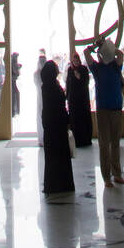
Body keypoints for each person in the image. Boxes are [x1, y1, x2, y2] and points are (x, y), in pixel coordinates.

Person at [85, 37, 124, 188]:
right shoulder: (96, 69)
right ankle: (106, 176)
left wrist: (108, 47)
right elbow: (85, 53)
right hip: (102, 110)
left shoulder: (115, 67)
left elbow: (120, 54)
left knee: (115, 143)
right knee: (104, 144)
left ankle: (117, 174)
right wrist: (95, 46)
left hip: (116, 109)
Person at [40, 60, 74, 195]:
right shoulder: (54, 86)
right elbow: (60, 104)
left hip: (50, 123)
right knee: (60, 153)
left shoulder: (46, 86)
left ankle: (53, 184)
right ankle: (62, 184)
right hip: (58, 124)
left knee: (52, 155)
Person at [65, 51, 92, 147]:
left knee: (83, 120)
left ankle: (84, 140)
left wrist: (79, 77)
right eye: (74, 60)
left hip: (82, 100)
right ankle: (75, 140)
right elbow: (68, 83)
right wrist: (67, 96)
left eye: (77, 60)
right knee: (74, 120)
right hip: (73, 100)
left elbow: (85, 82)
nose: (75, 62)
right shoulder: (70, 70)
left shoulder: (83, 69)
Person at [34, 49, 46, 146]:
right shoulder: (38, 73)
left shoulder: (36, 73)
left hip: (42, 97)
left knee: (42, 116)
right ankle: (42, 139)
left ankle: (42, 139)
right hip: (42, 97)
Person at [10, 51, 22, 116]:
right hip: (13, 82)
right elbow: (16, 72)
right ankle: (14, 111)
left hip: (13, 82)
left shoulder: (13, 63)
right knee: (14, 96)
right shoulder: (14, 63)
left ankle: (14, 111)